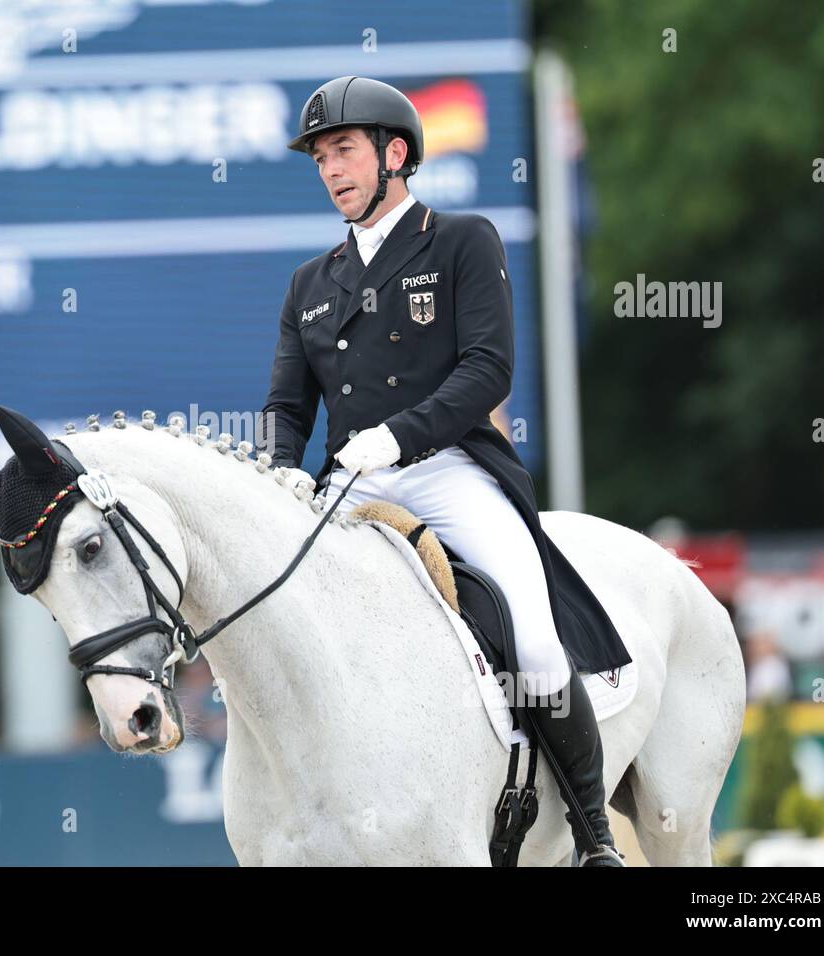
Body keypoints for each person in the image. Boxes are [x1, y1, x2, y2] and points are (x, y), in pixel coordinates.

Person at [260, 75, 629, 866]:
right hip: (348, 488)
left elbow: (488, 370)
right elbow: (285, 404)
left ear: (396, 154)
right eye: (321, 156)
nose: (331, 169)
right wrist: (282, 469)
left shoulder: (461, 240)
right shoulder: (309, 286)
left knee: (531, 640)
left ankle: (595, 834)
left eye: (345, 150)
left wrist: (396, 436)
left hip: (447, 471)